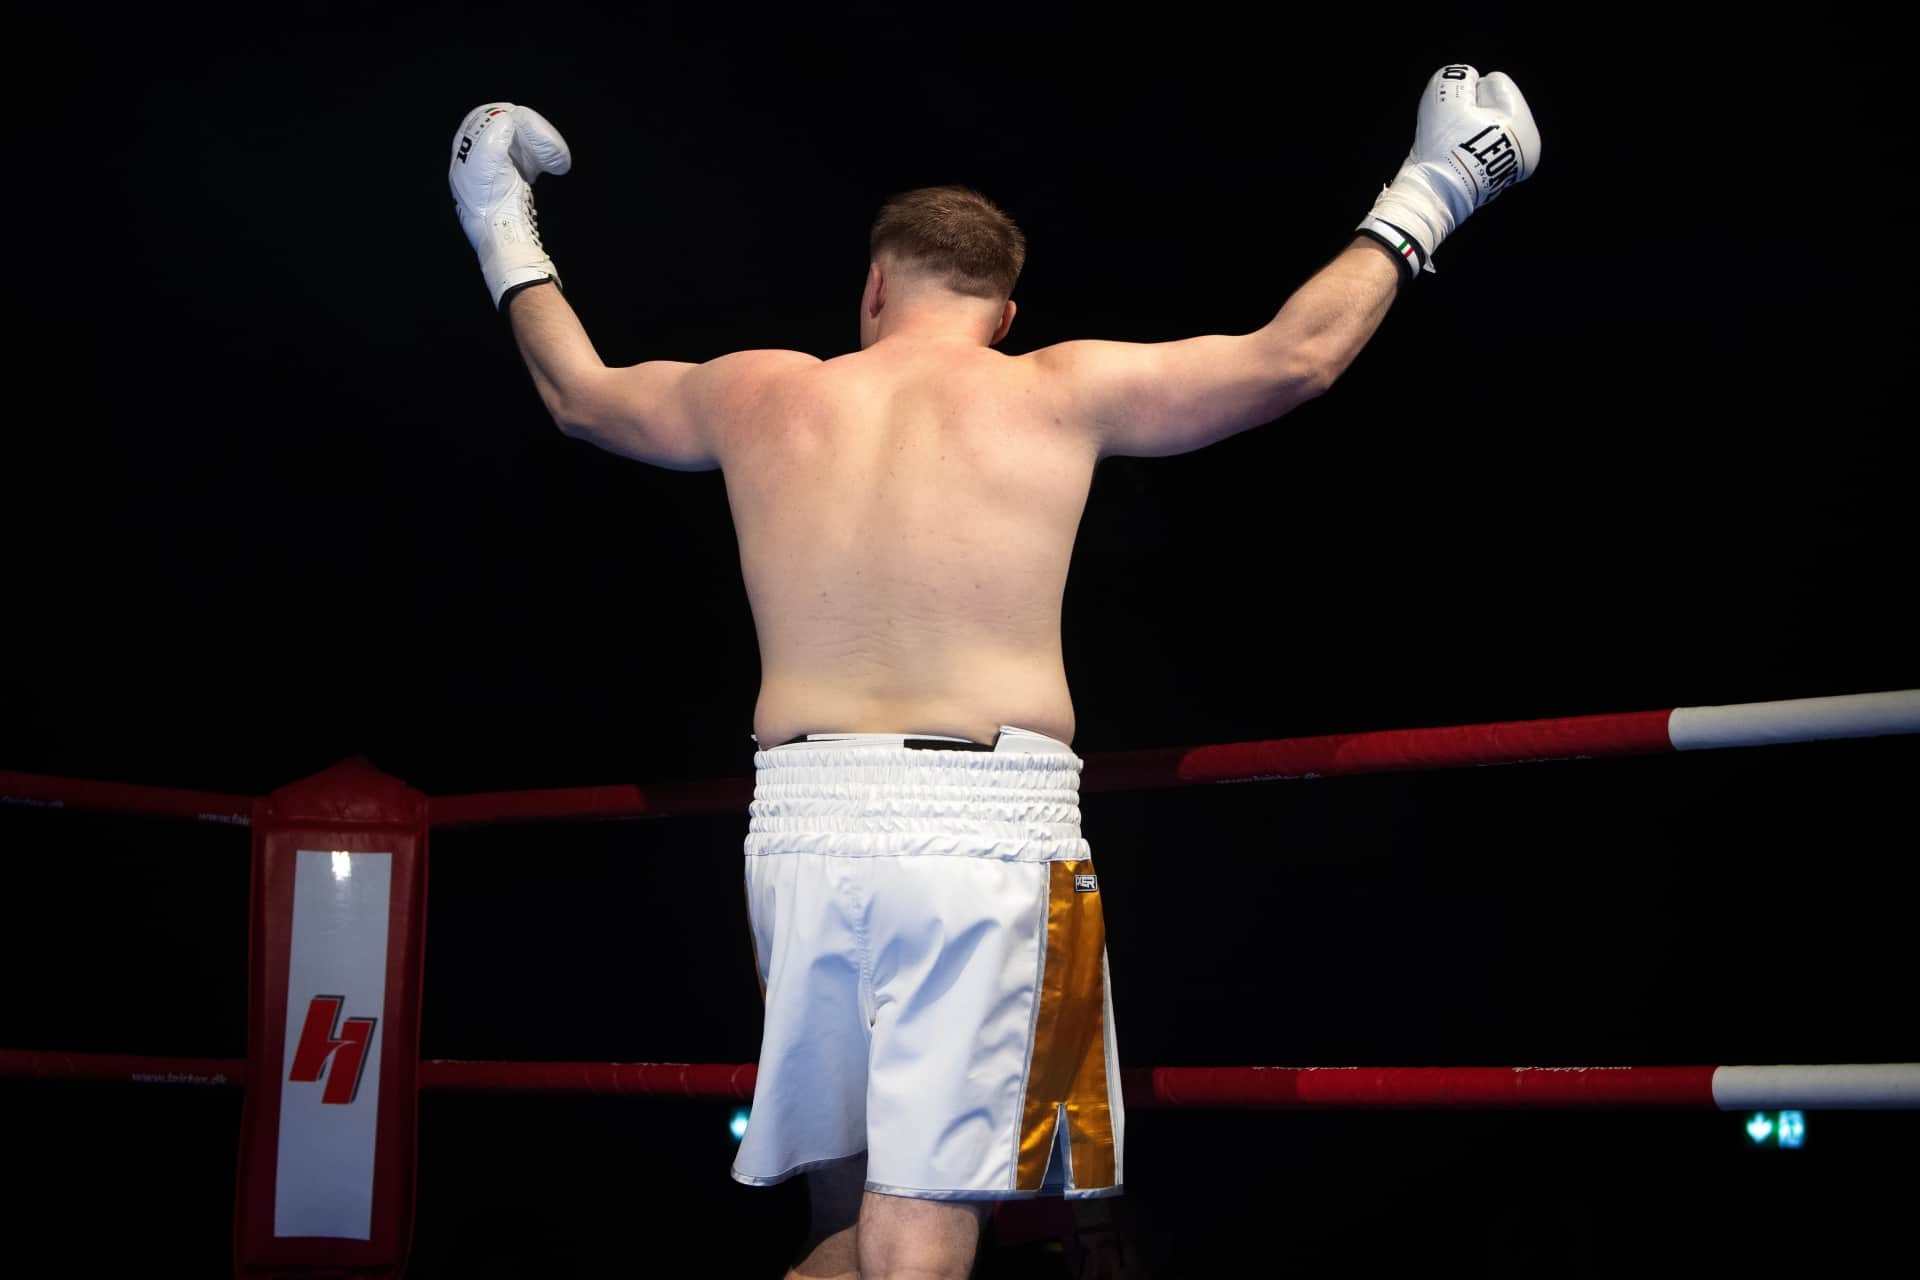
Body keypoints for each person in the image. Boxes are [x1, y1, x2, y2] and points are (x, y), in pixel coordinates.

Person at [449, 65, 1539, 1280]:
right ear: (1004, 313)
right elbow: (1294, 358)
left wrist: (495, 212)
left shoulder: (762, 391)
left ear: (873, 286)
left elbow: (581, 395)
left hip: (802, 827)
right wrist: (1434, 186)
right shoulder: (1052, 388)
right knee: (923, 1227)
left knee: (842, 1220)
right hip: (982, 833)